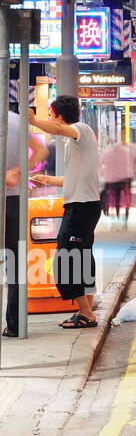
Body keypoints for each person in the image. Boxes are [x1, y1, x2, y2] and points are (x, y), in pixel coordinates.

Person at [29, 96, 101, 330]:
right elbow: (72, 178)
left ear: (58, 116)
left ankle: (86, 313)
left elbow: (60, 129)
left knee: (67, 260)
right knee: (80, 259)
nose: (50, 120)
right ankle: (85, 311)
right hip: (81, 205)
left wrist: (35, 122)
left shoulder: (82, 130)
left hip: (81, 207)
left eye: (51, 115)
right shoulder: (76, 142)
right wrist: (46, 179)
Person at [3, 107, 49, 338]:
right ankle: (15, 324)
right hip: (16, 201)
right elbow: (41, 151)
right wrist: (18, 171)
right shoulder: (17, 121)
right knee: (16, 265)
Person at [98, 138, 133, 219]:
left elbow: (101, 163)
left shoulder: (106, 152)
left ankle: (107, 209)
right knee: (119, 195)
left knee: (107, 194)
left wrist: (101, 173)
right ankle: (121, 211)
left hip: (110, 178)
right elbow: (127, 163)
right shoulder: (124, 151)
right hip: (121, 178)